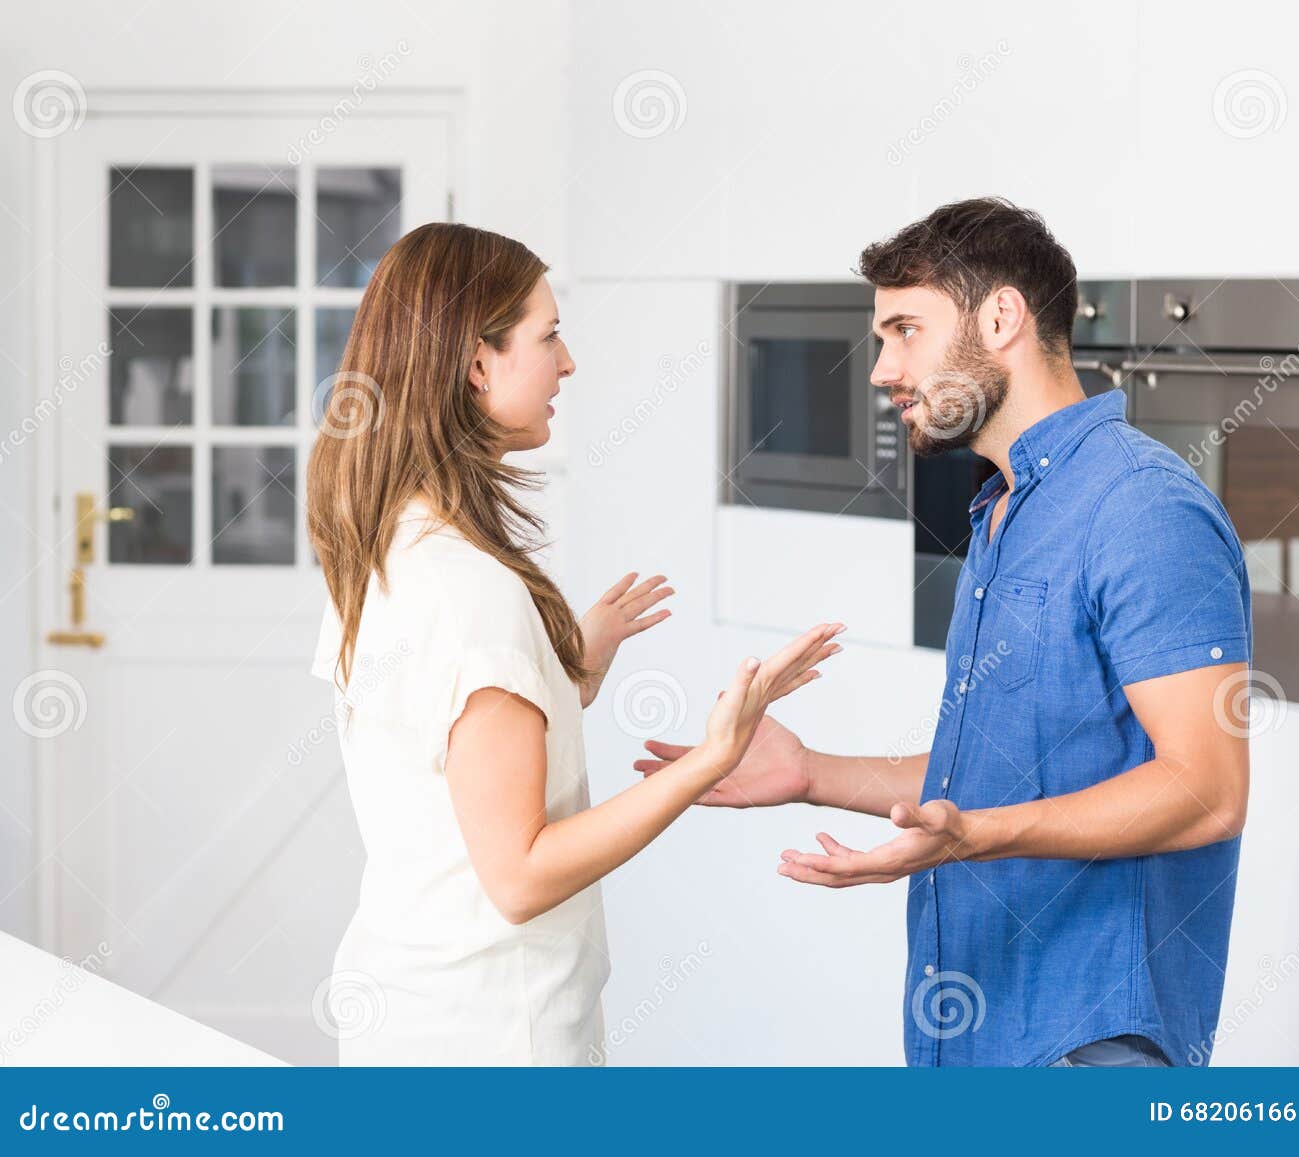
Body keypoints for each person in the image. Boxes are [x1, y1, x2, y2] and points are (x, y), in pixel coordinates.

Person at [636, 198, 1251, 1068]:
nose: (883, 368)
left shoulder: (1142, 508)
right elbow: (988, 776)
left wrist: (981, 836)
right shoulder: (1005, 510)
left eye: (905, 330)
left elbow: (1208, 788)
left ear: (1001, 316)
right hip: (979, 1021)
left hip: (1090, 1041)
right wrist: (812, 773)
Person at [307, 222, 843, 1065]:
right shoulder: (475, 594)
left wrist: (564, 673)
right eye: (548, 335)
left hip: (410, 1016)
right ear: (478, 364)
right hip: (495, 1041)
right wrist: (714, 754)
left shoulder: (384, 549)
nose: (568, 362)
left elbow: (450, 749)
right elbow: (520, 875)